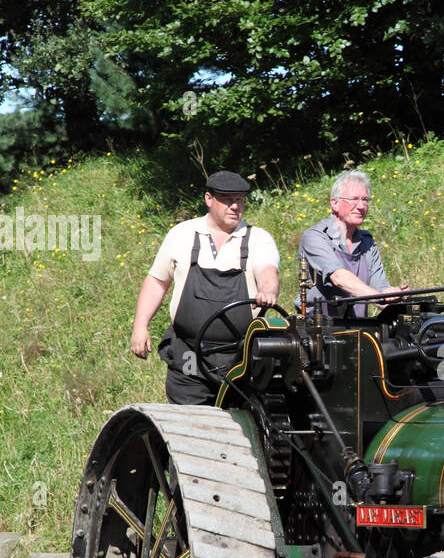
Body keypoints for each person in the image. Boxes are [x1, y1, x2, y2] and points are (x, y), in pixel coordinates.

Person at [130, 170, 280, 404]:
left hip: (239, 362)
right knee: (191, 428)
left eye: (239, 200)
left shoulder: (258, 239)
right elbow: (157, 281)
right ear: (209, 199)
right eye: (227, 199)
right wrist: (140, 327)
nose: (235, 206)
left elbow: (267, 270)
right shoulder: (182, 234)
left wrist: (268, 290)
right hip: (189, 357)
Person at [298, 170, 407, 317]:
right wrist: (380, 296)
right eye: (354, 199)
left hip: (357, 327)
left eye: (365, 200)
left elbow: (379, 286)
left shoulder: (367, 242)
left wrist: (396, 297)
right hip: (318, 328)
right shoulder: (315, 237)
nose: (361, 206)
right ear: (334, 203)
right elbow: (339, 278)